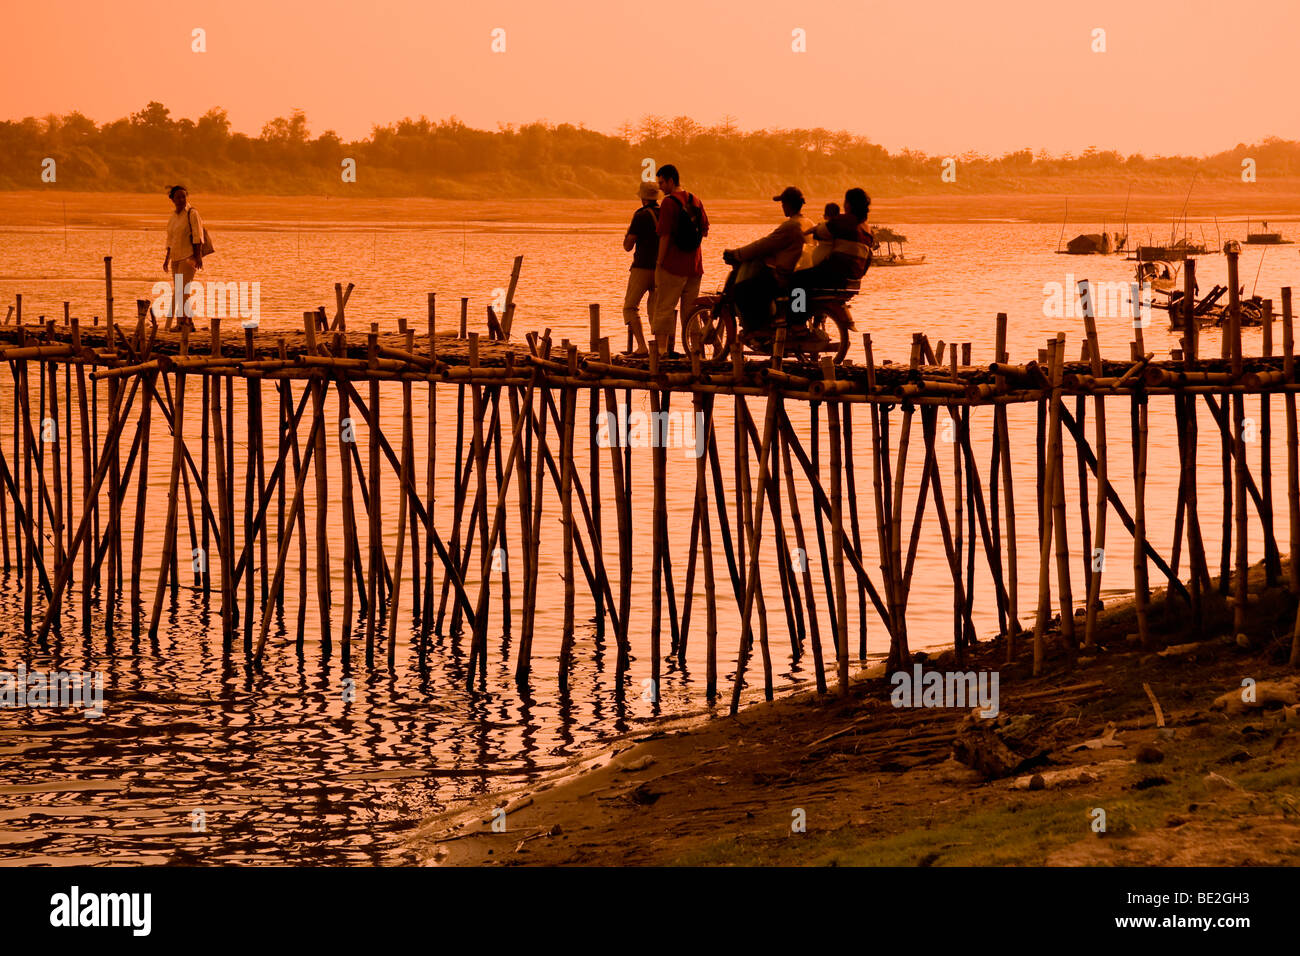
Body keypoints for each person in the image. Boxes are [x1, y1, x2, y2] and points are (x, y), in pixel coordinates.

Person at [722, 186, 812, 330]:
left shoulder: (791, 226)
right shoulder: (808, 222)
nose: (782, 207)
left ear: (788, 205)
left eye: (783, 204)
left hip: (785, 276)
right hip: (799, 274)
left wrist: (737, 254)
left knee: (741, 290)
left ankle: (756, 329)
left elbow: (763, 244)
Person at [652, 164, 709, 356]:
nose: (660, 187)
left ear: (670, 180)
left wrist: (659, 263)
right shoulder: (696, 200)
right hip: (695, 265)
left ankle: (661, 350)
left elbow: (665, 235)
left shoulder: (669, 203)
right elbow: (705, 231)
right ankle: (695, 350)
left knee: (664, 307)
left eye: (661, 183)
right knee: (690, 311)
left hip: (673, 265)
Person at [790, 187, 874, 304]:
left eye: (845, 202)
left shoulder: (844, 221)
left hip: (835, 275)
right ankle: (819, 315)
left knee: (796, 279)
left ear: (849, 205)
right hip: (854, 280)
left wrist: (806, 232)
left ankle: (797, 318)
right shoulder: (868, 230)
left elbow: (821, 232)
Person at [621, 181, 659, 356]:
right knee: (656, 309)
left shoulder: (640, 215)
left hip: (642, 268)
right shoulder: (664, 214)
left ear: (643, 198)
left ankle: (642, 346)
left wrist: (627, 233)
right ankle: (659, 347)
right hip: (661, 269)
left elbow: (628, 246)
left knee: (630, 307)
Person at [162, 185, 205, 330]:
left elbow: (198, 236)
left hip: (189, 257)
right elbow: (170, 239)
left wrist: (198, 257)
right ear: (172, 199)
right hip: (175, 257)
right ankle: (187, 322)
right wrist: (166, 259)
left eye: (183, 196)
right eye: (178, 197)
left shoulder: (192, 213)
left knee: (183, 290)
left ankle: (183, 323)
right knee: (180, 290)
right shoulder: (173, 217)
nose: (181, 199)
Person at [806, 201, 840, 268]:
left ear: (825, 216)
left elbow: (811, 230)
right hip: (833, 260)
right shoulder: (842, 227)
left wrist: (802, 233)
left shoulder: (823, 227)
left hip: (820, 259)